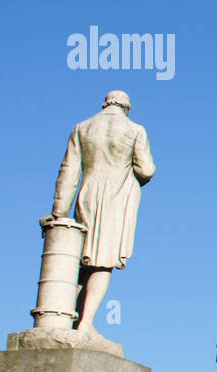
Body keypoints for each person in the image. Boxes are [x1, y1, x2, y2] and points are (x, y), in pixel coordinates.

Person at [51, 90, 155, 333]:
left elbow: (68, 172)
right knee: (103, 262)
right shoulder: (134, 130)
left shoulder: (82, 128)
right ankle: (86, 322)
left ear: (105, 104)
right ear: (126, 107)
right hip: (116, 198)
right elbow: (147, 169)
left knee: (81, 259)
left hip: (87, 194)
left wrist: (59, 213)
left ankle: (68, 318)